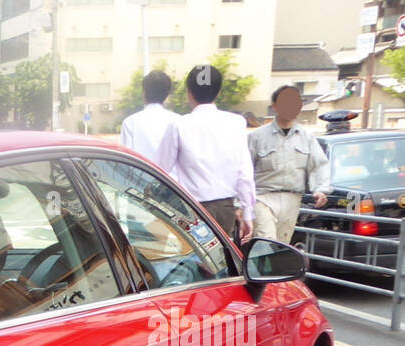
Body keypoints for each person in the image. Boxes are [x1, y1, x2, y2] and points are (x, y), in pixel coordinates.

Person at [154, 65, 256, 243]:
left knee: (194, 264)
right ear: (218, 92)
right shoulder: (236, 123)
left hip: (193, 209)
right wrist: (248, 213)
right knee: (223, 263)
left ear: (189, 92)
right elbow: (245, 173)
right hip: (226, 209)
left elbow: (159, 169)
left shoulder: (179, 125)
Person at [248, 85, 329, 243]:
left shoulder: (307, 137)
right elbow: (243, 171)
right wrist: (240, 204)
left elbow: (319, 165)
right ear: (275, 106)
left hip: (292, 198)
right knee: (266, 242)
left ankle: (275, 268)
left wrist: (321, 189)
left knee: (281, 246)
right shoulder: (257, 137)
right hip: (262, 198)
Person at [120, 70, 179, 161]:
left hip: (139, 175)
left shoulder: (130, 123)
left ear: (144, 93)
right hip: (169, 176)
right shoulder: (179, 121)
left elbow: (125, 161)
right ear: (167, 95)